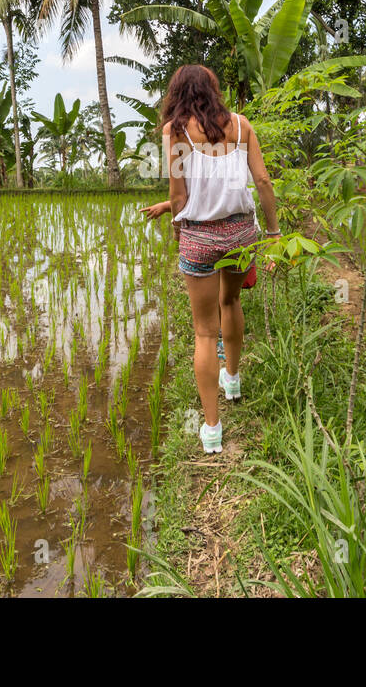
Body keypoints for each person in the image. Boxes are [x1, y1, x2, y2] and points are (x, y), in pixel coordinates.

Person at [140, 65, 280, 454]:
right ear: (214, 90)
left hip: (199, 235)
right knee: (231, 301)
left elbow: (179, 194)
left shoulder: (176, 131)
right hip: (239, 232)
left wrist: (176, 229)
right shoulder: (241, 124)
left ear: (178, 93)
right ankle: (232, 379)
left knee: (204, 331)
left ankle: (213, 429)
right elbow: (263, 182)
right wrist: (273, 233)